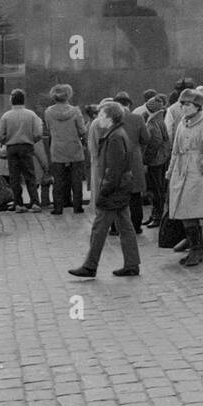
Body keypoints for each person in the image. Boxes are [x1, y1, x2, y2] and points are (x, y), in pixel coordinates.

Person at [68, 102, 140, 278]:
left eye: (101, 115)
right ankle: (132, 264)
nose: (98, 118)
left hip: (114, 188)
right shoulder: (117, 133)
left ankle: (90, 265)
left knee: (99, 227)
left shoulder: (115, 136)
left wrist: (105, 190)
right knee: (125, 225)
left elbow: (114, 168)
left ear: (110, 117)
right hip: (121, 186)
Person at [166, 89, 203, 268]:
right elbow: (175, 149)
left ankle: (196, 248)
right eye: (182, 104)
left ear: (197, 107)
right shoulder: (183, 123)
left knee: (192, 210)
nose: (183, 107)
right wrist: (171, 169)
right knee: (183, 210)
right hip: (181, 170)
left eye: (187, 104)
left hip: (196, 171)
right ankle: (197, 244)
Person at [0, 89, 44, 211]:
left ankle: (18, 204)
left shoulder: (6, 116)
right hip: (27, 147)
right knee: (30, 175)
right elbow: (38, 133)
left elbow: (0, 135)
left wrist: (7, 140)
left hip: (11, 148)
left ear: (11, 100)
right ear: (24, 100)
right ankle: (35, 202)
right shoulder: (31, 115)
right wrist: (31, 140)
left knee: (14, 177)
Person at [45, 84, 87, 215]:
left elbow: (48, 128)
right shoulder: (75, 111)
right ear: (68, 95)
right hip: (74, 147)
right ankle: (77, 206)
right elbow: (82, 130)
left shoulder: (48, 112)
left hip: (57, 148)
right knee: (76, 179)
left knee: (58, 179)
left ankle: (58, 207)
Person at [115, 92, 150, 234]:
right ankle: (136, 226)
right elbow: (146, 138)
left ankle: (115, 226)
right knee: (135, 195)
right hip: (134, 159)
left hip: (115, 158)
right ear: (129, 104)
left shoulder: (108, 118)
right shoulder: (137, 118)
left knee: (116, 194)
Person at [143, 94, 170, 227]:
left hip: (155, 160)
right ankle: (155, 214)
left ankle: (157, 216)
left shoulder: (153, 122)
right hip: (161, 158)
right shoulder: (160, 120)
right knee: (158, 188)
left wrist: (146, 158)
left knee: (156, 189)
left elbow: (155, 141)